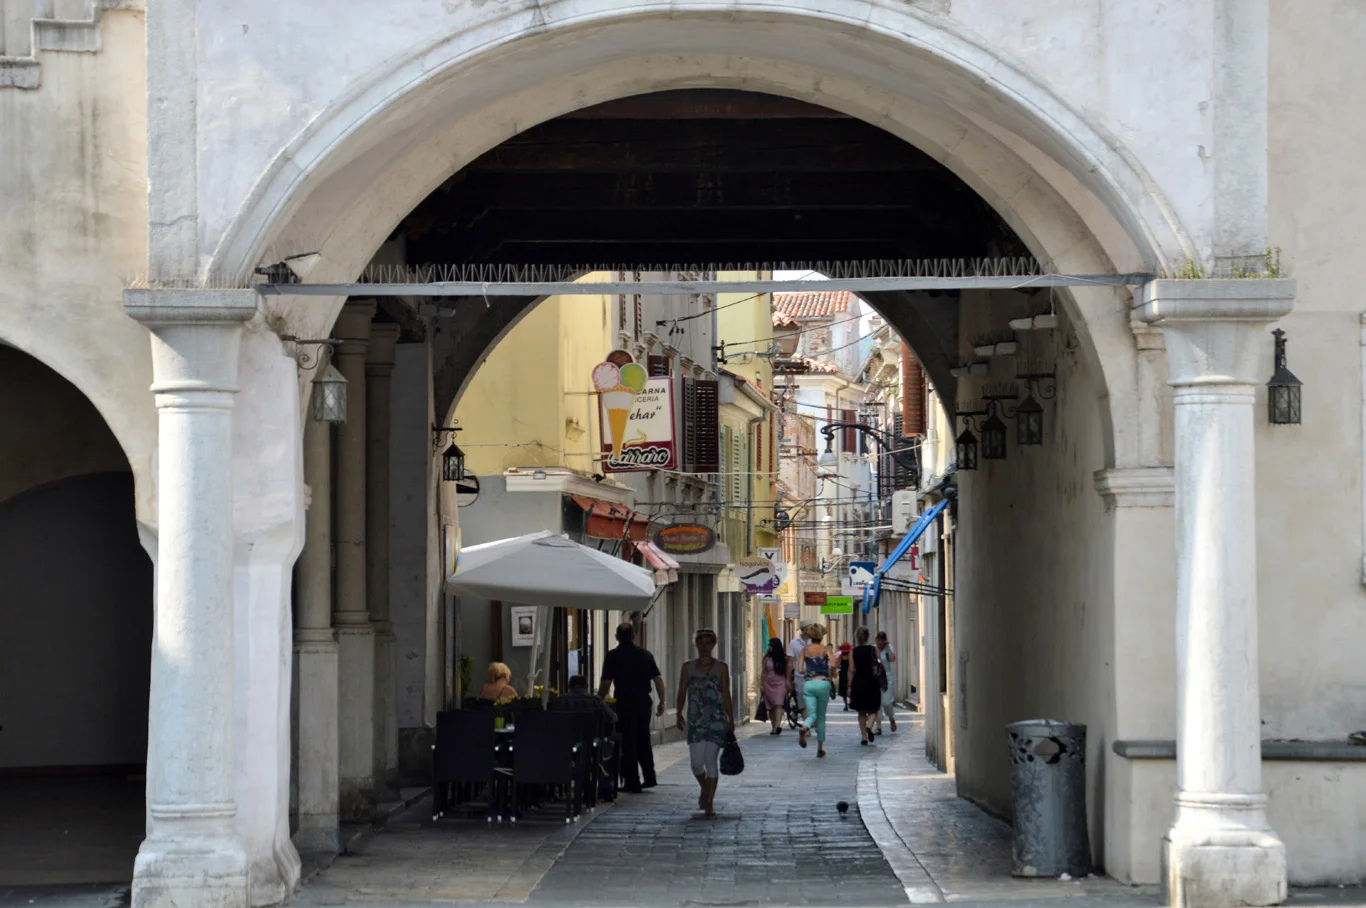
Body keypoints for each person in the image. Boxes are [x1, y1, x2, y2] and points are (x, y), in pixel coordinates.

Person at [599, 620, 666, 793]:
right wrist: (662, 701)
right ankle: (649, 777)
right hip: (644, 702)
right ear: (634, 636)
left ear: (616, 637)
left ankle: (632, 780)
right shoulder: (645, 654)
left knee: (628, 741)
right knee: (643, 738)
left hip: (624, 702)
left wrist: (599, 700)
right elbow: (658, 680)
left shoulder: (613, 656)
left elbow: (606, 682)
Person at [675, 627, 734, 818]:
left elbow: (726, 694)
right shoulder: (688, 667)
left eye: (708, 643)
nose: (704, 647)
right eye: (701, 643)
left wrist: (730, 719)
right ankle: (705, 788)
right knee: (695, 763)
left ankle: (709, 802)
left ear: (714, 645)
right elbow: (682, 690)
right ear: (696, 645)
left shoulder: (721, 667)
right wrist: (678, 713)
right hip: (695, 719)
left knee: (710, 760)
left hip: (716, 719)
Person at [795, 624, 833, 757]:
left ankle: (805, 727)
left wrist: (810, 670)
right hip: (822, 683)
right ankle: (820, 749)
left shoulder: (804, 650)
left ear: (810, 635)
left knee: (811, 714)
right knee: (821, 717)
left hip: (809, 684)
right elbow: (833, 665)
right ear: (821, 636)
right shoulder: (826, 649)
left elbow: (799, 670)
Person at [847, 626, 883, 745]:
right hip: (872, 682)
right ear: (868, 637)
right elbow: (880, 664)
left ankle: (864, 737)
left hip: (858, 682)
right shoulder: (874, 650)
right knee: (874, 709)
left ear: (856, 637)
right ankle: (869, 726)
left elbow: (851, 669)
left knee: (861, 711)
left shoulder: (853, 651)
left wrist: (849, 686)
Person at [552, 673, 618, 729]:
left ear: (569, 686)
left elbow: (553, 719)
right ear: (586, 686)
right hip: (592, 737)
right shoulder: (596, 700)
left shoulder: (561, 699)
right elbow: (613, 718)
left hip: (566, 736)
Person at [761, 637, 788, 734]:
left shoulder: (784, 658)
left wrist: (789, 682)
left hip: (780, 683)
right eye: (769, 645)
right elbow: (763, 672)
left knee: (778, 704)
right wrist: (761, 684)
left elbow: (787, 672)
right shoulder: (766, 658)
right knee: (771, 706)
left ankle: (777, 726)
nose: (769, 647)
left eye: (771, 645)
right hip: (768, 683)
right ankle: (773, 726)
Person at [873, 631, 898, 735]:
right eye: (879, 640)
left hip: (887, 678)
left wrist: (887, 648)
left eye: (882, 640)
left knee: (887, 702)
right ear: (876, 640)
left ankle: (891, 718)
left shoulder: (888, 648)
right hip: (876, 678)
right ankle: (878, 727)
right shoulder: (873, 649)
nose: (880, 642)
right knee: (877, 702)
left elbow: (892, 659)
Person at [787, 623, 812, 718]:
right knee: (802, 703)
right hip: (800, 677)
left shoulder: (814, 641)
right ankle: (807, 727)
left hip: (814, 677)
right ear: (803, 629)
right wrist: (788, 680)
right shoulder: (794, 642)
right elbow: (790, 662)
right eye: (810, 628)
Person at [836, 640, 853, 711]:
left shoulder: (841, 656)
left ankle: (846, 705)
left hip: (843, 674)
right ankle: (852, 701)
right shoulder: (851, 655)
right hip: (850, 673)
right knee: (851, 688)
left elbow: (837, 665)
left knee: (843, 690)